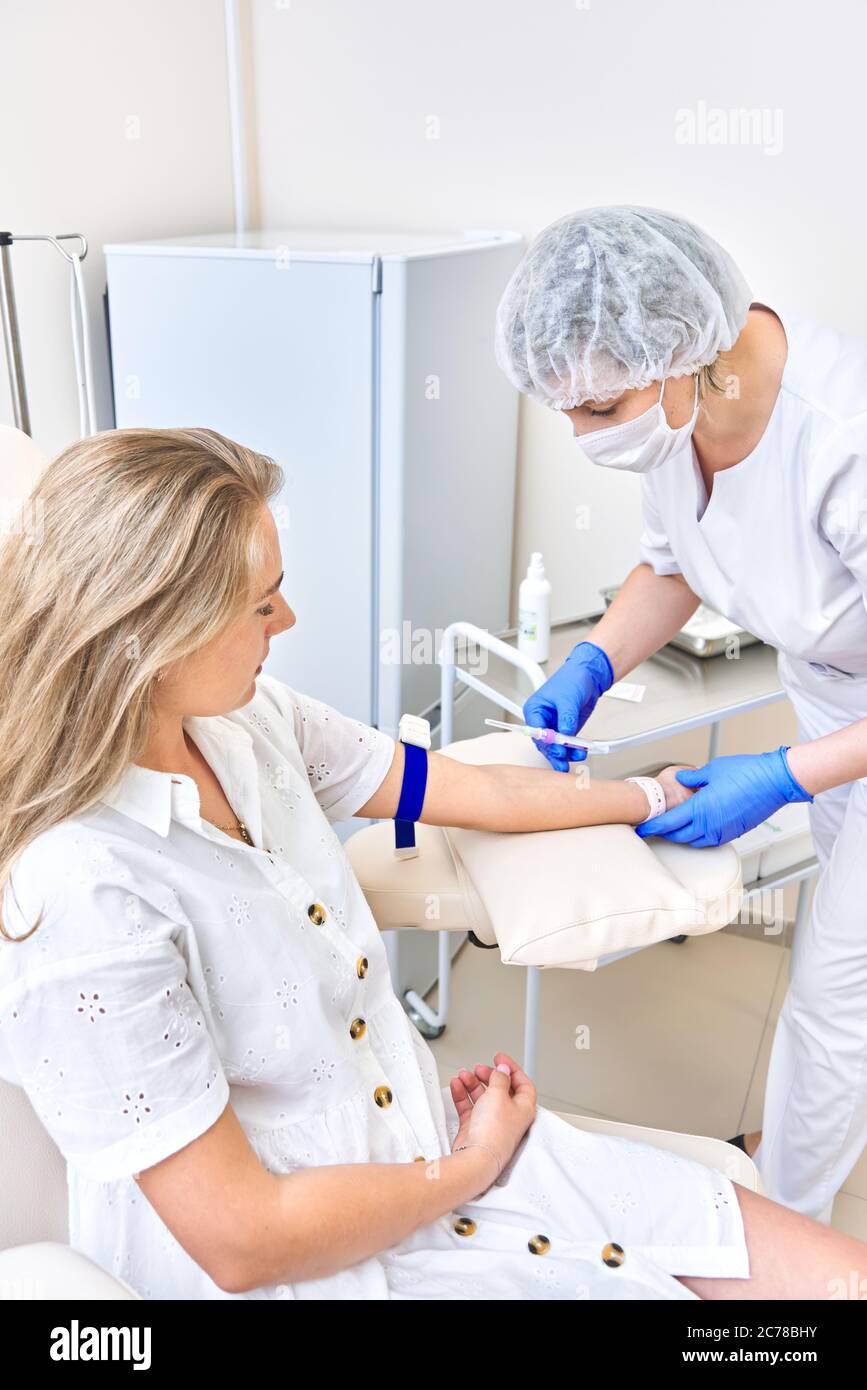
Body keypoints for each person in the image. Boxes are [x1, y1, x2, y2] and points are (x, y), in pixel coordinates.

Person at [1, 427, 864, 1301]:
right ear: (157, 634)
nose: (288, 621)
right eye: (262, 606)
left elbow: (464, 791)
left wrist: (648, 796)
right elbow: (242, 1242)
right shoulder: (84, 891)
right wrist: (473, 1164)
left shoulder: (251, 724)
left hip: (430, 1149)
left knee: (840, 1285)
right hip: (322, 1252)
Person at [494, 204, 867, 1225]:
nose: (582, 436)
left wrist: (782, 773)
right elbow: (674, 565)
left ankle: (788, 1234)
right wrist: (592, 657)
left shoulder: (842, 437)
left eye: (597, 406)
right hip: (840, 704)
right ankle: (797, 1147)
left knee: (838, 998)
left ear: (679, 350)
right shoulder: (680, 412)